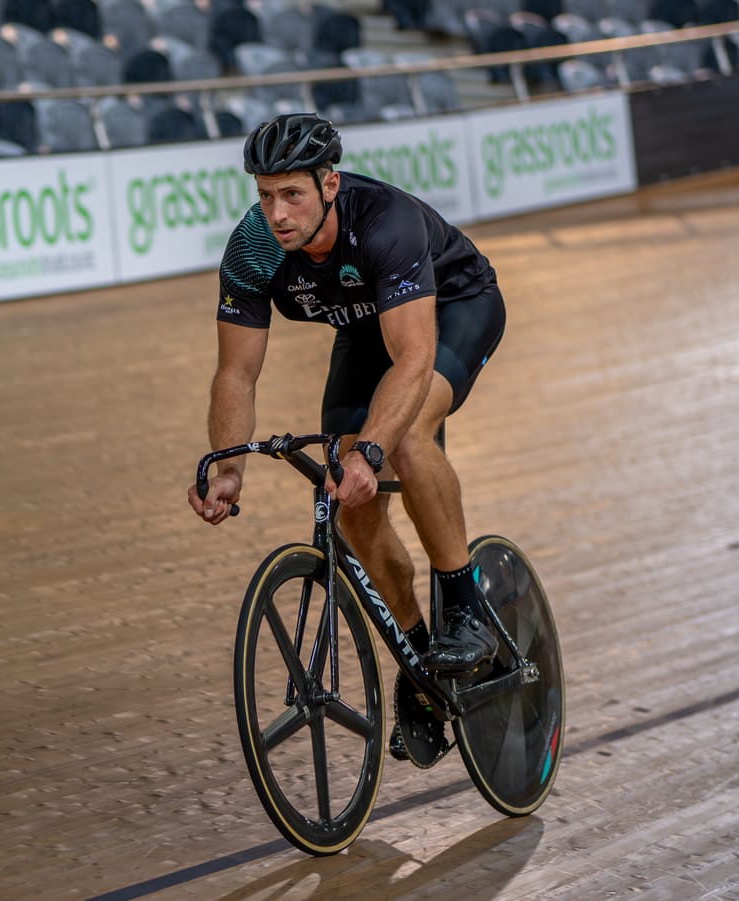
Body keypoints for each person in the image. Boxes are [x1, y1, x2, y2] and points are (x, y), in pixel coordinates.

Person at [186, 112, 506, 760]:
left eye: (292, 193)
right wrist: (227, 466)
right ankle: (421, 662)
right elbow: (235, 371)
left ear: (329, 182)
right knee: (347, 499)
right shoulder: (253, 250)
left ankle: (467, 605)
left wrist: (372, 447)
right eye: (265, 194)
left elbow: (414, 359)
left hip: (454, 307)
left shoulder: (383, 221)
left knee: (408, 439)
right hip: (365, 330)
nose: (277, 212)